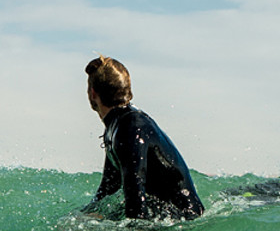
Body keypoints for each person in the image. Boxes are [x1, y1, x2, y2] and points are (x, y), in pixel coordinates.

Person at [83, 55, 205, 221]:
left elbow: (135, 191)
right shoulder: (117, 128)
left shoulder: (131, 127)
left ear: (92, 93)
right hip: (164, 216)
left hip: (183, 219)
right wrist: (83, 216)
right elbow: (108, 189)